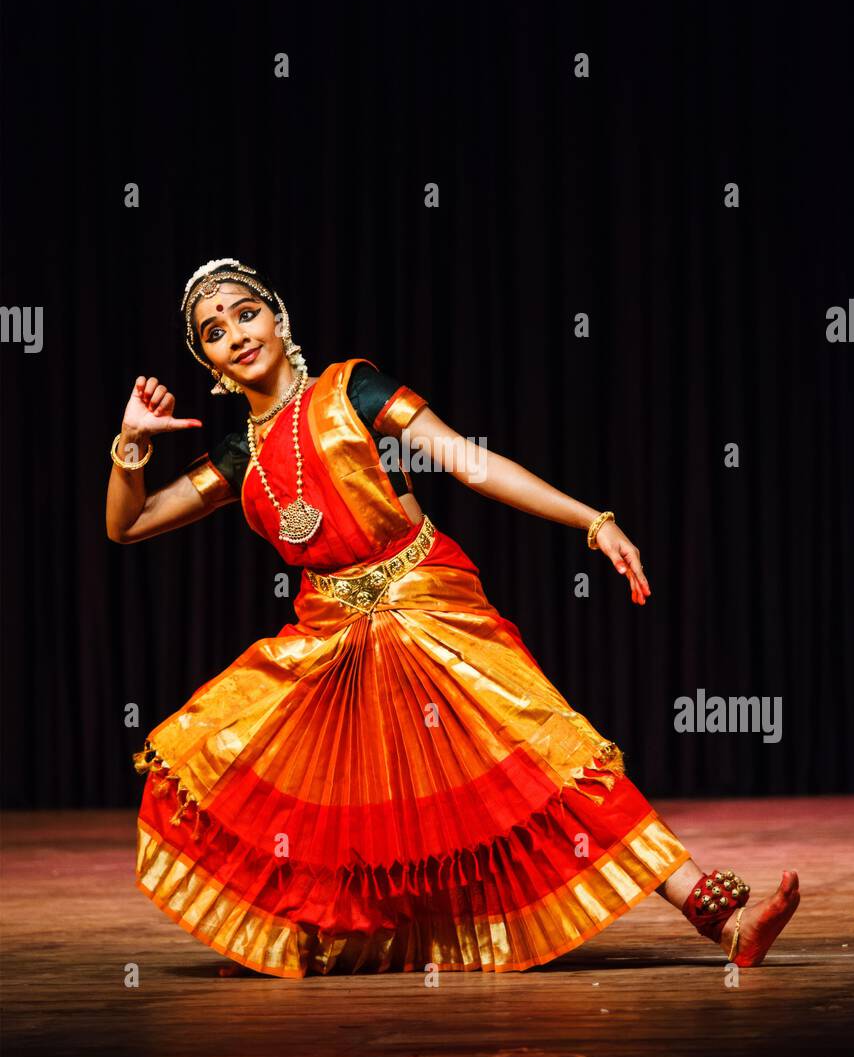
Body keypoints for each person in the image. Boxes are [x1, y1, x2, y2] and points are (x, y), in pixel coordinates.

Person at [106, 258, 800, 979]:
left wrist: (592, 522)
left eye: (245, 313)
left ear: (277, 317)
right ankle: (314, 940)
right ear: (209, 362)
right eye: (214, 332)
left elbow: (469, 464)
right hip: (330, 636)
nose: (236, 334)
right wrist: (132, 445)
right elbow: (130, 524)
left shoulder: (352, 389)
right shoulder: (235, 455)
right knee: (263, 772)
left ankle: (721, 917)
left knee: (549, 753)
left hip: (430, 609)